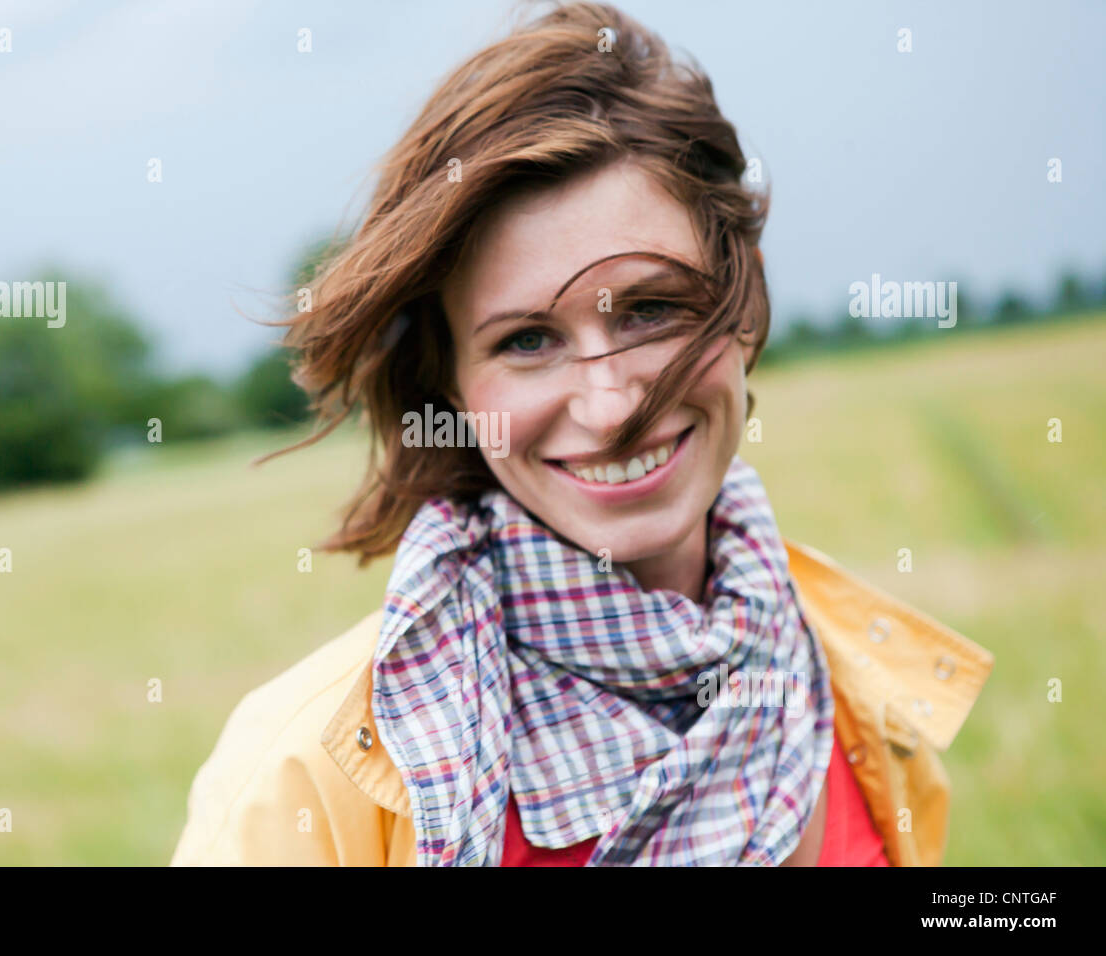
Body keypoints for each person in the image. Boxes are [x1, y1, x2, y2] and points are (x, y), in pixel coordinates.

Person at [171, 1, 993, 866]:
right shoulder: (306, 771)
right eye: (526, 341)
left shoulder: (856, 689)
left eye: (650, 310)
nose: (608, 406)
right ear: (449, 383)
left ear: (743, 306)